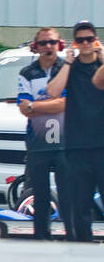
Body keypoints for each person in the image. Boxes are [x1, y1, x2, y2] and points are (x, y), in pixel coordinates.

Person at [49, 20, 104, 241]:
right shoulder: (69, 68)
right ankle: (84, 255)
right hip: (77, 147)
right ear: (75, 43)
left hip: (102, 146)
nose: (86, 43)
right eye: (81, 40)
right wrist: (68, 63)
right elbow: (53, 92)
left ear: (96, 40)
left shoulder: (100, 68)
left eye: (89, 39)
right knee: (80, 206)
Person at [17, 28, 72, 240]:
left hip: (64, 143)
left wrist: (36, 104)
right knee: (40, 196)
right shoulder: (27, 73)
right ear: (36, 46)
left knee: (68, 195)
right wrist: (48, 104)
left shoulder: (66, 69)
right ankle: (41, 239)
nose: (48, 47)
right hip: (37, 143)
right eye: (43, 43)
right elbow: (23, 108)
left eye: (52, 43)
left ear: (59, 44)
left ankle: (72, 238)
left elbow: (65, 104)